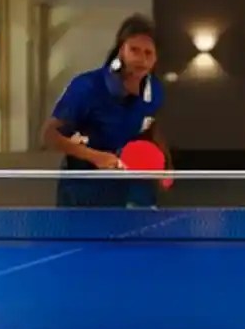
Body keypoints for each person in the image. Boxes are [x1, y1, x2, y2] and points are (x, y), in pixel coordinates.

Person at [41, 14, 168, 208]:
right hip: (81, 188)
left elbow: (150, 125)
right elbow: (49, 135)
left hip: (124, 187)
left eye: (148, 53)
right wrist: (96, 157)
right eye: (134, 50)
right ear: (121, 51)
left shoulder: (154, 91)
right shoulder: (87, 87)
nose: (141, 58)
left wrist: (165, 164)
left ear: (155, 59)